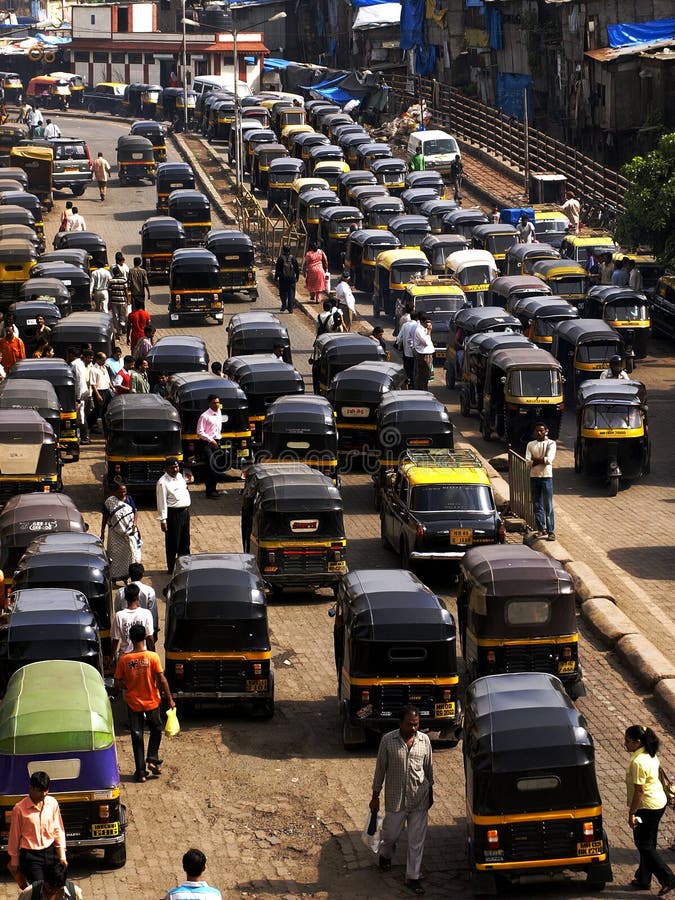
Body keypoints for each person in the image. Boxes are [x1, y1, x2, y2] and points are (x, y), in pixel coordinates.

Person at [370, 705, 433, 895]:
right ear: (400, 723)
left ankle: (412, 877)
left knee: (416, 841)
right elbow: (380, 770)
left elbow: (429, 770)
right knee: (390, 836)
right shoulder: (388, 741)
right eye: (409, 724)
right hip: (395, 800)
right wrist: (375, 796)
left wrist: (430, 794)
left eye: (416, 724)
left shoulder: (425, 741)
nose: (413, 728)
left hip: (419, 799)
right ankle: (385, 855)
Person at [113, 622, 175, 783]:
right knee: (156, 729)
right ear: (145, 638)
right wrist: (170, 699)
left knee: (137, 735)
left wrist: (128, 686)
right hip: (152, 701)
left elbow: (117, 682)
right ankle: (152, 759)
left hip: (133, 702)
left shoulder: (124, 659)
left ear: (131, 639)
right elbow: (161, 679)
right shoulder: (152, 657)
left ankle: (140, 772)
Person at [624, 725, 674, 895]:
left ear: (638, 742)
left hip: (647, 808)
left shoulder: (638, 762)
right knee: (649, 842)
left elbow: (640, 791)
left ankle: (668, 878)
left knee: (643, 844)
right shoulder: (649, 753)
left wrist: (631, 813)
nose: (625, 744)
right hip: (658, 803)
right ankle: (643, 879)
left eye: (628, 741)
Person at [7, 772, 67, 888]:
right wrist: (14, 861)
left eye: (46, 790)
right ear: (31, 788)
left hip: (50, 853)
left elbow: (58, 829)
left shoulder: (52, 803)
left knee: (54, 887)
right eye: (40, 791)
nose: (43, 794)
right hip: (31, 857)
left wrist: (62, 856)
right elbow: (14, 836)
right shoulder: (19, 809)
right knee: (40, 889)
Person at [156, 457, 191, 572]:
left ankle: (185, 565)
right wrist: (163, 520)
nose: (175, 469)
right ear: (166, 469)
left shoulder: (180, 477)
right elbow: (162, 502)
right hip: (173, 515)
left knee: (185, 542)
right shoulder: (162, 482)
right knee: (173, 543)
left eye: (176, 467)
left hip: (185, 513)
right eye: (172, 468)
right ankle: (171, 568)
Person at [102, 483, 141, 582]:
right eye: (120, 492)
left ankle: (126, 577)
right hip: (115, 534)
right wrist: (102, 531)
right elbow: (105, 518)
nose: (122, 493)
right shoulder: (109, 502)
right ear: (114, 492)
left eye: (124, 491)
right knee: (115, 555)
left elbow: (135, 511)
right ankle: (114, 579)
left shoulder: (129, 499)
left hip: (130, 532)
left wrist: (134, 524)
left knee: (129, 555)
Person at [525, 421, 556, 540]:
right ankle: (540, 529)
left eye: (541, 430)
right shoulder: (530, 444)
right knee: (537, 505)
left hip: (547, 477)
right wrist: (541, 460)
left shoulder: (551, 443)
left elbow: (549, 460)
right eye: (537, 430)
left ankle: (551, 531)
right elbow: (528, 462)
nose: (539, 432)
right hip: (534, 477)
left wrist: (535, 460)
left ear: (546, 431)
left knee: (548, 505)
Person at [114, 562, 158, 640]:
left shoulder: (121, 592)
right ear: (142, 575)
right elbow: (153, 612)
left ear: (129, 575)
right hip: (145, 631)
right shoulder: (149, 591)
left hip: (127, 631)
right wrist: (154, 629)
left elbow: (117, 609)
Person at [111, 582, 155, 658]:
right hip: (142, 656)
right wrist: (153, 654)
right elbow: (150, 637)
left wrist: (111, 657)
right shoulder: (146, 613)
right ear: (138, 597)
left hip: (125, 656)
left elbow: (115, 640)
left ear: (125, 598)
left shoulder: (119, 615)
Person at [196, 394, 222, 499]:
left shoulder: (219, 413)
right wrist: (211, 440)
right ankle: (210, 491)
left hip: (217, 442)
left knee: (216, 467)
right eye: (214, 403)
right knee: (211, 467)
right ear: (209, 404)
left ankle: (214, 489)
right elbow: (200, 432)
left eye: (218, 402)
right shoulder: (204, 416)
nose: (216, 405)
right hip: (208, 444)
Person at [18, 860, 83, 899]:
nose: (54, 892)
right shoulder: (29, 893)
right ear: (44, 880)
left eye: (58, 889)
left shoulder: (75, 892)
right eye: (50, 889)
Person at [67, 346, 92, 444]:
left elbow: (78, 381)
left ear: (72, 355)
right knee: (82, 414)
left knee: (80, 416)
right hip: (83, 391)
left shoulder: (74, 364)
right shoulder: (80, 363)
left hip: (80, 393)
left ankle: (85, 437)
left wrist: (77, 397)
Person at [88, 351, 112, 432]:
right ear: (98, 359)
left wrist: (112, 388)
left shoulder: (104, 368)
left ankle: (106, 428)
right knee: (98, 411)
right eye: (103, 360)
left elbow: (108, 380)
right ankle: (88, 424)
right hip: (99, 391)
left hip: (106, 391)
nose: (104, 362)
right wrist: (98, 395)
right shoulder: (93, 370)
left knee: (106, 410)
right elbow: (93, 384)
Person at [412, 312, 435, 391]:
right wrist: (429, 331)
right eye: (427, 322)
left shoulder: (424, 329)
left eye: (429, 322)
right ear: (422, 322)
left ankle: (424, 389)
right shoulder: (419, 330)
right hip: (423, 355)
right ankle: (422, 391)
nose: (428, 324)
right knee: (422, 375)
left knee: (426, 375)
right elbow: (426, 342)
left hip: (427, 354)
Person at [274, 245, 300, 313]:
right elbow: (297, 269)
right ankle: (290, 308)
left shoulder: (280, 258)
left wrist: (276, 277)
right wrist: (297, 277)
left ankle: (283, 306)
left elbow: (277, 269)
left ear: (283, 250)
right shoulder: (293, 258)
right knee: (291, 293)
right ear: (290, 250)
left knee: (282, 292)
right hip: (291, 279)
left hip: (282, 278)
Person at [395, 311, 419, 384]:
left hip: (406, 352)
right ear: (417, 318)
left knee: (407, 368)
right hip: (416, 352)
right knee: (415, 368)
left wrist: (399, 345)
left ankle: (408, 381)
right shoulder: (418, 325)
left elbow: (399, 337)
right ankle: (414, 382)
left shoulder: (405, 325)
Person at [108, 264, 130, 338]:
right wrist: (128, 300)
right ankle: (122, 326)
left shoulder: (111, 281)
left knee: (115, 316)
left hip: (114, 301)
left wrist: (110, 301)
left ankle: (118, 331)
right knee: (122, 315)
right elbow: (126, 291)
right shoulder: (123, 280)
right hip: (123, 300)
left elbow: (110, 292)